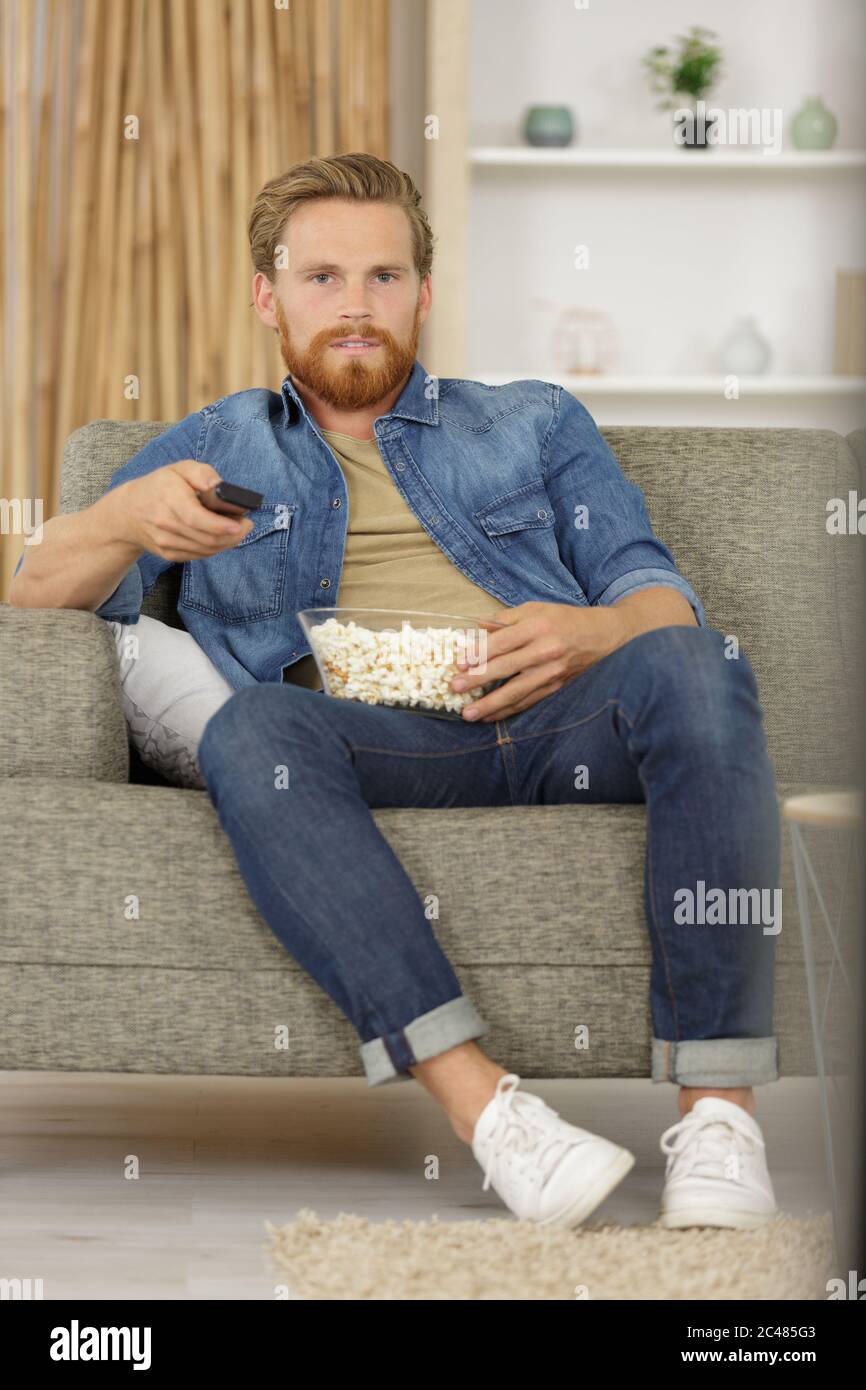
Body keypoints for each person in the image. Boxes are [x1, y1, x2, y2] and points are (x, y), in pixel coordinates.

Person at [11, 152, 780, 1231]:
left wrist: (593, 628)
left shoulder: (534, 421)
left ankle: (717, 1119)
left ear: (422, 292)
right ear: (265, 296)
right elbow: (32, 599)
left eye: (383, 277)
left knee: (704, 666)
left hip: (559, 715)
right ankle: (495, 1118)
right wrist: (116, 518)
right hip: (371, 736)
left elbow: (661, 602)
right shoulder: (208, 447)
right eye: (322, 278)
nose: (356, 307)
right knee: (255, 727)